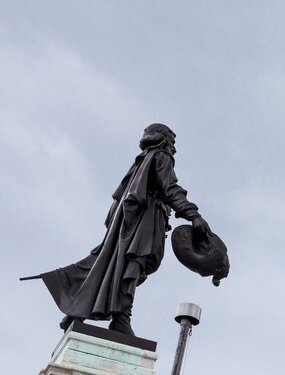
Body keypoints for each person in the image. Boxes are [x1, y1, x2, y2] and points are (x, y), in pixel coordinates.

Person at [31, 124, 212, 336]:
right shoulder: (161, 157)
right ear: (164, 140)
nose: (174, 149)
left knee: (115, 264)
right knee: (134, 263)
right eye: (172, 142)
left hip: (128, 222)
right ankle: (121, 318)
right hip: (145, 219)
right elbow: (169, 189)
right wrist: (194, 215)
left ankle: (78, 310)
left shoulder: (142, 160)